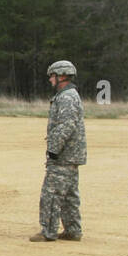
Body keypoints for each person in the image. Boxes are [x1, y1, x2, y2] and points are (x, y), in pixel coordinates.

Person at [30, 60, 87, 242]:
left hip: (64, 155)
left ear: (61, 76)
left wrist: (53, 150)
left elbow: (66, 125)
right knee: (69, 195)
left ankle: (48, 232)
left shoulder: (67, 97)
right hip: (70, 154)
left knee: (51, 193)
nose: (50, 80)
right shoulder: (68, 95)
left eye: (52, 76)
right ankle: (73, 230)